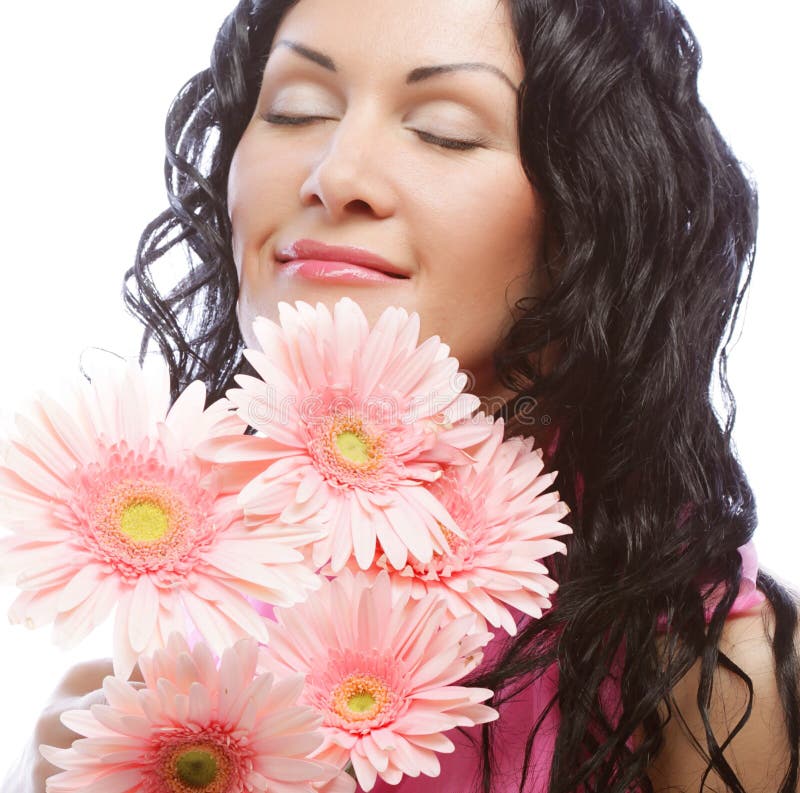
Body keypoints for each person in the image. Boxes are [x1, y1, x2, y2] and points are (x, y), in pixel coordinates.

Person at [4, 0, 799, 791]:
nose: (336, 174)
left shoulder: (685, 631)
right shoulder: (172, 573)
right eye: (293, 110)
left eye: (444, 130)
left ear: (592, 207)